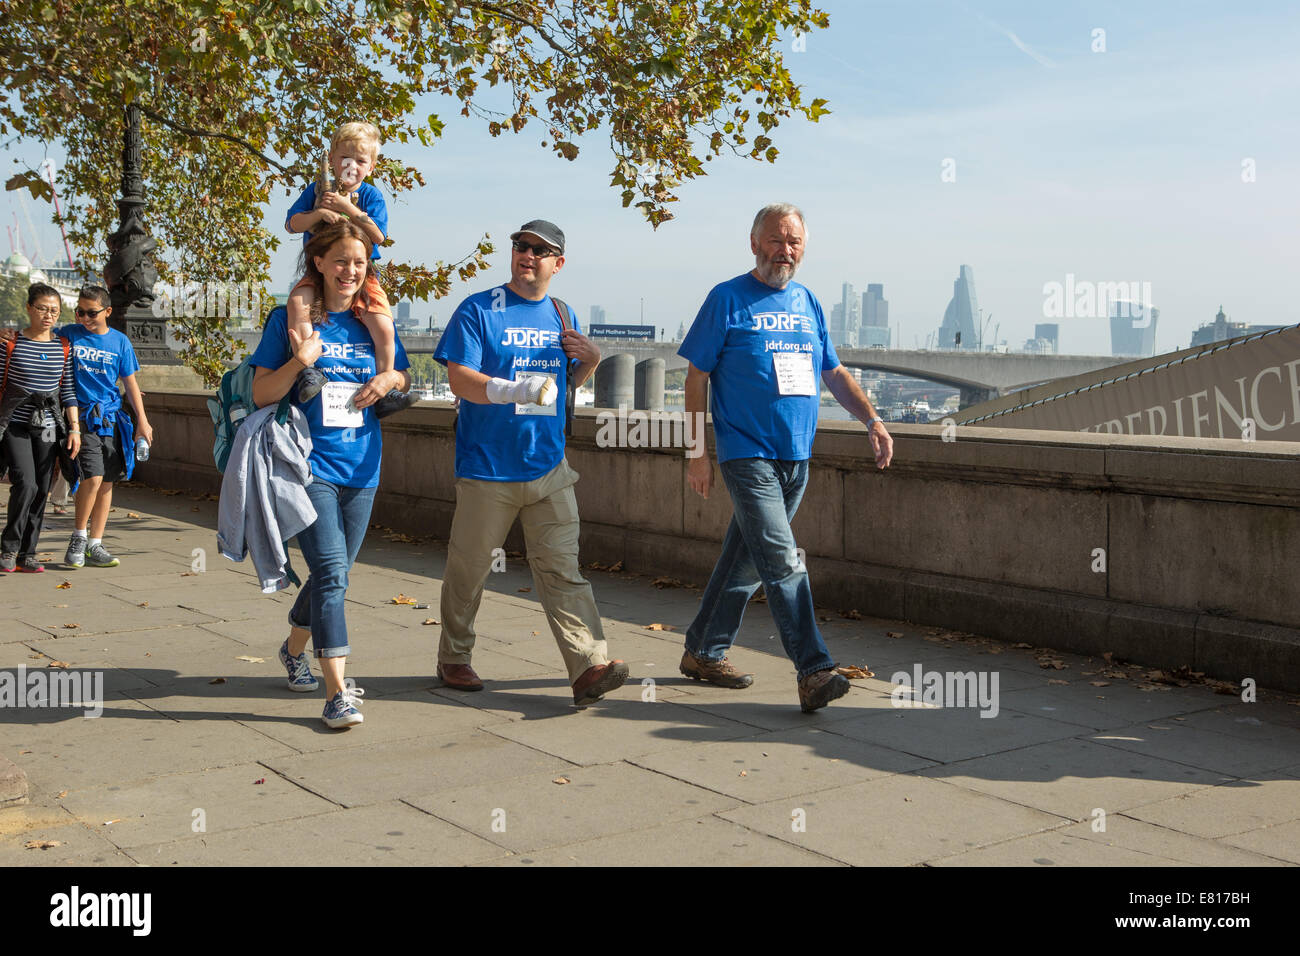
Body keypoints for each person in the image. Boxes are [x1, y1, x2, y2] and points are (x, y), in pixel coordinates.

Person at [678, 203, 894, 713]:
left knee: (746, 560)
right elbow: (695, 378)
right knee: (783, 561)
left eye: (794, 242)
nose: (785, 250)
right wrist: (696, 452)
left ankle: (703, 651)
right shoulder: (727, 298)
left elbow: (833, 373)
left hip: (797, 456)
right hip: (745, 454)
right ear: (754, 243)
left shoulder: (808, 303)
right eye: (776, 240)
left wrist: (872, 419)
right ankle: (814, 669)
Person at [433, 219, 628, 706]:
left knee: (564, 571)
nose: (528, 255)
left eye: (541, 251)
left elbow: (567, 383)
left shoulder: (562, 314)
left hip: (549, 468)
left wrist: (593, 358)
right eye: (522, 246)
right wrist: (507, 389)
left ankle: (589, 667)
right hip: (487, 469)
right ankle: (454, 657)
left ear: (557, 264)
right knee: (469, 570)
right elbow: (459, 379)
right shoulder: (478, 309)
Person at [250, 219, 411, 729]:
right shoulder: (289, 319)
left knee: (331, 575)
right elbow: (261, 394)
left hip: (363, 468)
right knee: (334, 574)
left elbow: (401, 375)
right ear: (318, 263)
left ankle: (293, 649)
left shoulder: (373, 320)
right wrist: (300, 361)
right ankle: (337, 694)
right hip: (306, 467)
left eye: (360, 263)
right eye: (341, 261)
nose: (351, 271)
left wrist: (389, 377)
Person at [285, 122, 399, 407]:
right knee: (299, 304)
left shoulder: (372, 196)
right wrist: (319, 213)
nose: (352, 167)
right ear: (333, 160)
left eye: (360, 161)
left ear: (371, 167)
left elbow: (378, 236)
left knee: (383, 324)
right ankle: (307, 370)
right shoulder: (316, 190)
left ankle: (387, 382)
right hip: (318, 270)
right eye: (346, 159)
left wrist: (347, 207)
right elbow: (292, 224)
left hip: (362, 274)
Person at [44, 286, 150, 570]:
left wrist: (143, 421)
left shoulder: (120, 342)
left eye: (91, 313)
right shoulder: (69, 334)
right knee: (92, 476)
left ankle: (95, 543)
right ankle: (78, 537)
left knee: (107, 482)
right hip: (79, 419)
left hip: (111, 419)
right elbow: (43, 346)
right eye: (80, 312)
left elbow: (130, 384)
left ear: (107, 312)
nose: (84, 318)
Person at [0, 284, 80, 572]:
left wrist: (74, 429)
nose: (49, 315)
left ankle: (27, 554)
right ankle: (8, 548)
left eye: (54, 311)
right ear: (29, 308)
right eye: (43, 309)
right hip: (16, 425)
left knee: (42, 489)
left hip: (48, 427)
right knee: (26, 483)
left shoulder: (62, 347)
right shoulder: (10, 343)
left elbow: (68, 391)